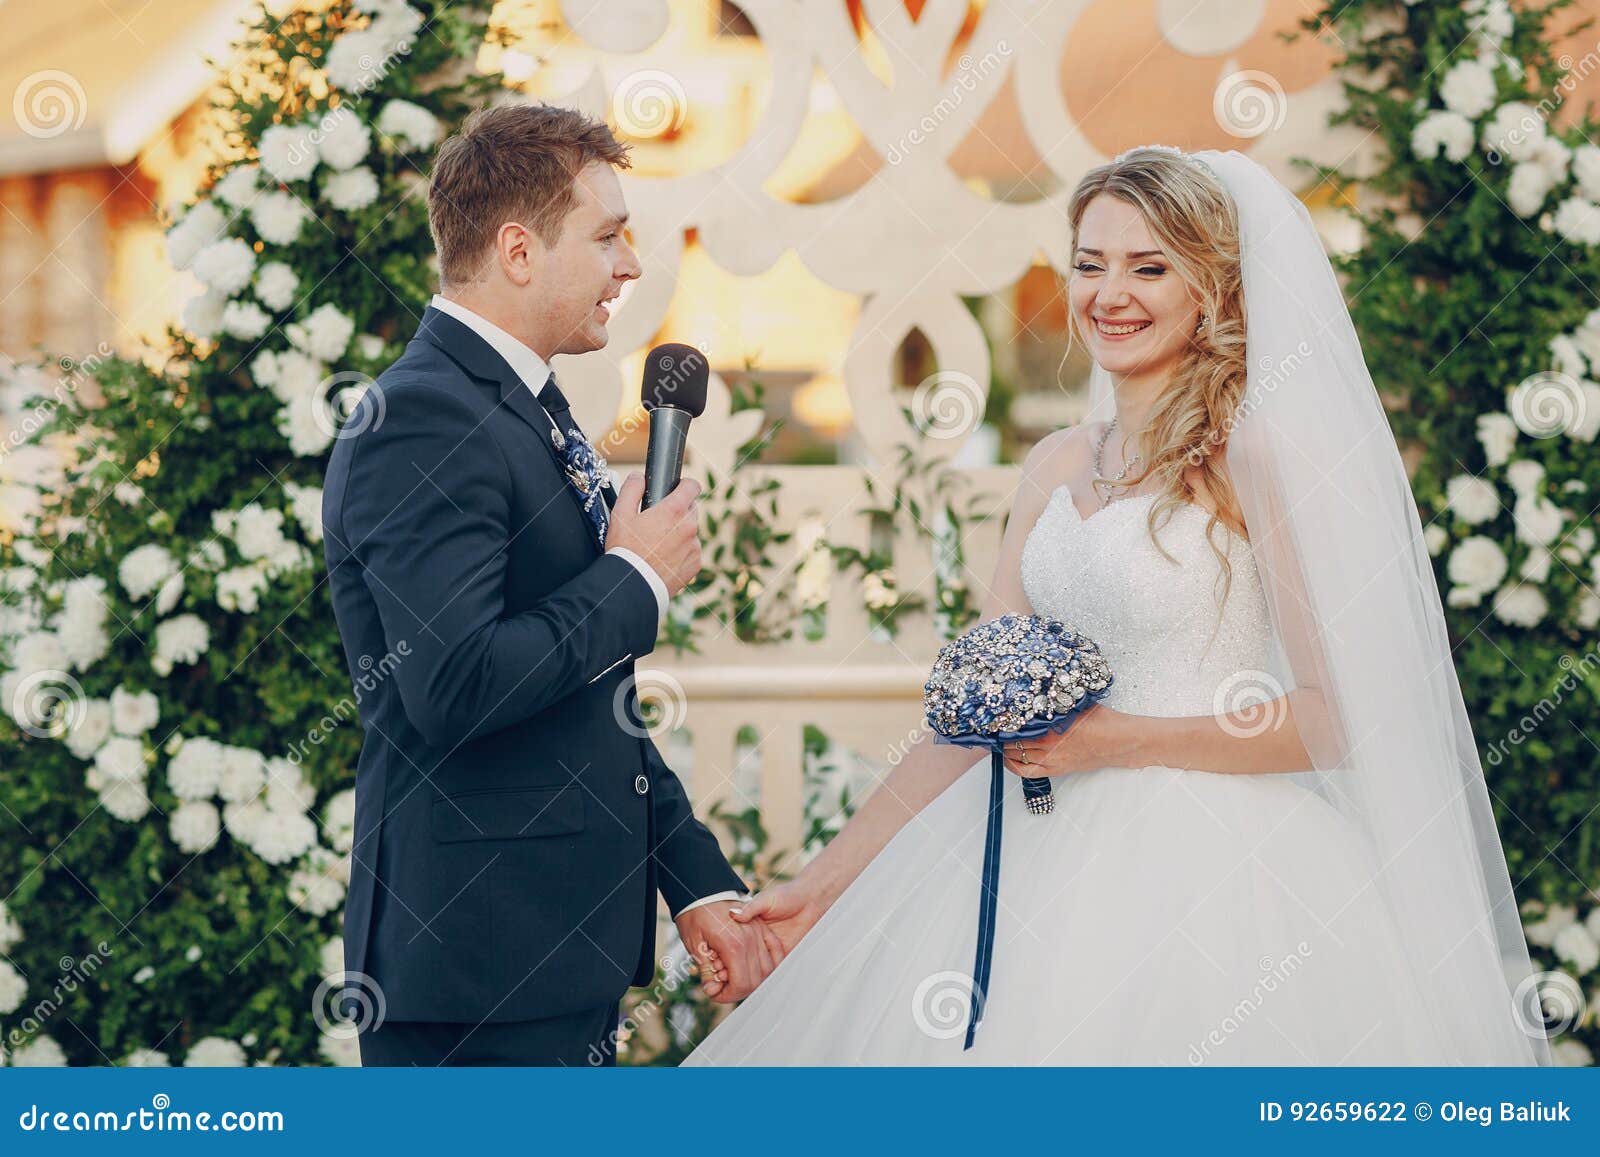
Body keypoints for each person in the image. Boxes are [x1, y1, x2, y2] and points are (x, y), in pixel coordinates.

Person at [684, 147, 1550, 1066]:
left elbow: (1333, 723)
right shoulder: (1055, 463)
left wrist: (1115, 738)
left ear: (1211, 287)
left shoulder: (1249, 460)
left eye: (1149, 266)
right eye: (1091, 264)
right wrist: (818, 890)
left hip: (1220, 870)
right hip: (1025, 848)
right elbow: (967, 719)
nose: (1110, 293)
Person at [322, 103, 777, 1067]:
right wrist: (636, 573)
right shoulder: (426, 418)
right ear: (519, 251)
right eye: (608, 236)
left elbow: (583, 697)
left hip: (547, 962)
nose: (631, 265)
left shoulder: (520, 404)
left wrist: (691, 879)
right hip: (477, 967)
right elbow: (452, 687)